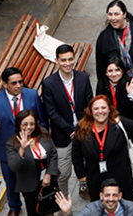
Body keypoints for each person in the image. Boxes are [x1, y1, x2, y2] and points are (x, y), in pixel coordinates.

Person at [0, 67, 45, 215]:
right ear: (4, 84)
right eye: (14, 83)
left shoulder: (32, 95)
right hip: (7, 149)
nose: (19, 85)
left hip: (31, 146)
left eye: (21, 82)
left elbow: (42, 120)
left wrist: (43, 142)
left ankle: (36, 205)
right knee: (11, 181)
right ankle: (14, 207)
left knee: (35, 179)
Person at [72, 95, 133, 213]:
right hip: (96, 178)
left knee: (129, 208)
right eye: (96, 108)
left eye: (103, 108)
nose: (100, 111)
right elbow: (76, 152)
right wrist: (81, 174)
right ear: (90, 111)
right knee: (101, 210)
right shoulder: (82, 128)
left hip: (121, 176)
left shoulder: (119, 123)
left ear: (109, 109)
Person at [42, 44, 93, 194]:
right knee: (63, 173)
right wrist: (71, 130)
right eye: (63, 60)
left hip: (84, 130)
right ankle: (63, 198)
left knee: (87, 164)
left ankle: (85, 189)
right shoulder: (49, 83)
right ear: (56, 60)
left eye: (70, 59)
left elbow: (90, 104)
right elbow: (51, 112)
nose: (67, 63)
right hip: (63, 134)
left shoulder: (83, 77)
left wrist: (81, 127)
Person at [5, 110, 59, 216]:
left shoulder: (43, 133)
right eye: (25, 124)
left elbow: (53, 153)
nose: (29, 127)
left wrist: (48, 175)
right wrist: (22, 149)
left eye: (32, 124)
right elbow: (14, 166)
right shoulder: (12, 143)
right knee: (34, 211)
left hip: (48, 179)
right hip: (29, 184)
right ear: (19, 124)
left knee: (49, 208)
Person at [55, 178, 133, 216]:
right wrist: (67, 213)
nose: (111, 199)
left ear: (120, 196)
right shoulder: (91, 209)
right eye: (107, 195)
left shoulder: (132, 208)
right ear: (101, 196)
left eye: (114, 195)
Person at [95, 58, 133, 123]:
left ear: (122, 71)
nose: (114, 74)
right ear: (106, 73)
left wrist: (132, 95)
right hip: (109, 122)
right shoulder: (101, 85)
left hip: (128, 122)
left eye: (117, 70)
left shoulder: (131, 83)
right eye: (110, 71)